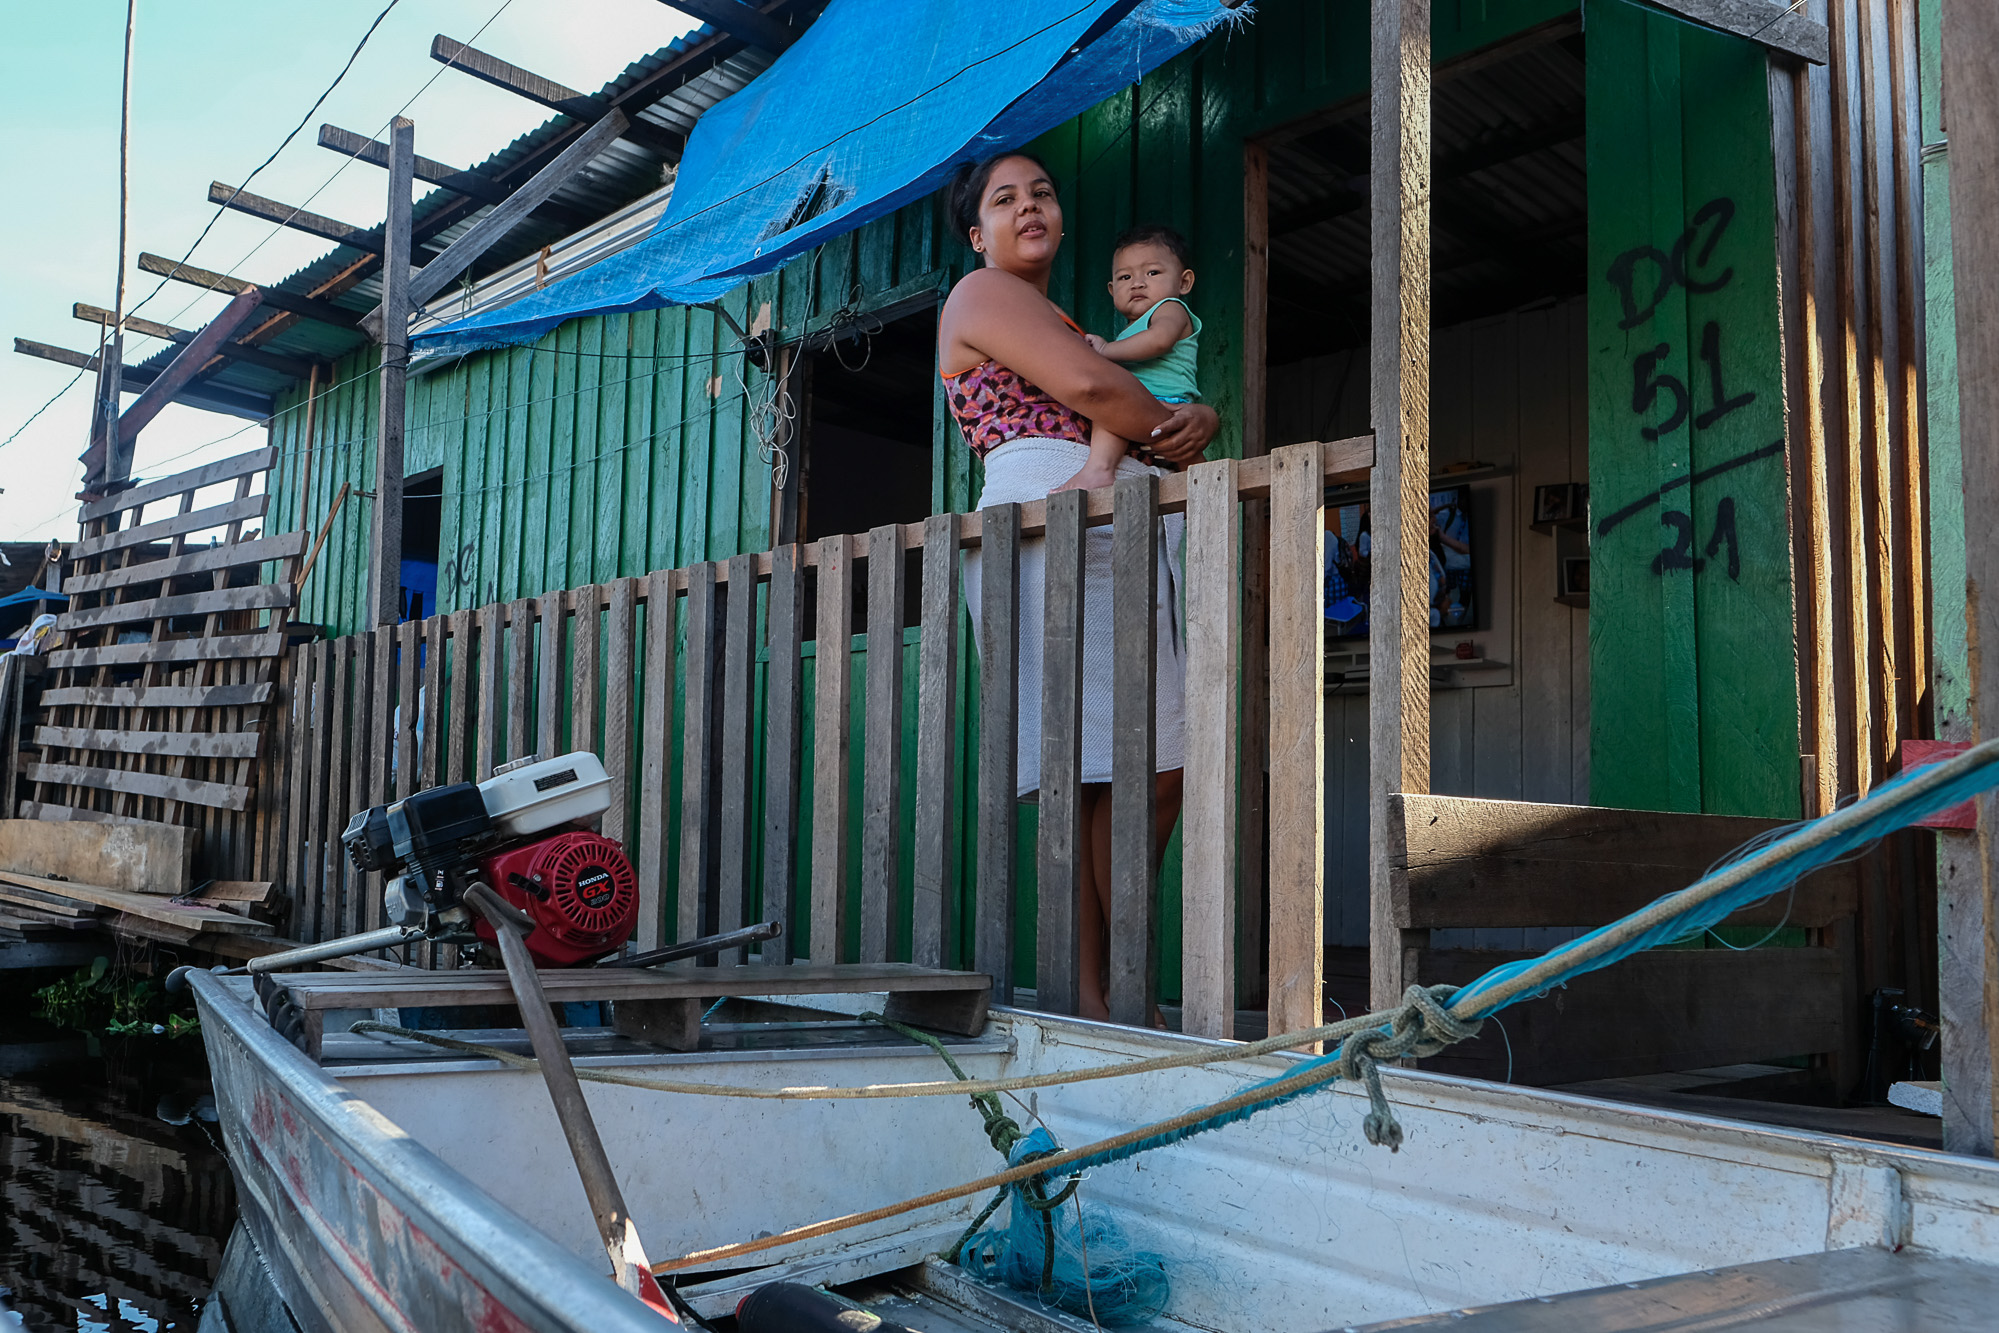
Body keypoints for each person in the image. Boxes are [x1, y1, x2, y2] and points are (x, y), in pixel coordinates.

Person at [940, 152, 1219, 1022]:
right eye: (1004, 199)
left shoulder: (1063, 314)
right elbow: (1096, 387)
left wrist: (1195, 418)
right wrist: (1190, 424)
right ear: (976, 232)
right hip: (1046, 517)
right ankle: (1100, 991)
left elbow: (1116, 393)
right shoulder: (982, 294)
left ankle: (1109, 991)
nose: (1029, 206)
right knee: (1097, 770)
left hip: (1105, 522)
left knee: (1126, 769)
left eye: (1043, 194)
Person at [1065, 224, 1202, 494]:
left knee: (1108, 409)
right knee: (1194, 474)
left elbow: (1159, 340)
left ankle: (1100, 469)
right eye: (1125, 277)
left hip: (1163, 401)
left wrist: (1105, 351)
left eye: (1152, 272)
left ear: (1183, 282)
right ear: (1112, 289)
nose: (1138, 283)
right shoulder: (1132, 330)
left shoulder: (1171, 309)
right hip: (1155, 406)